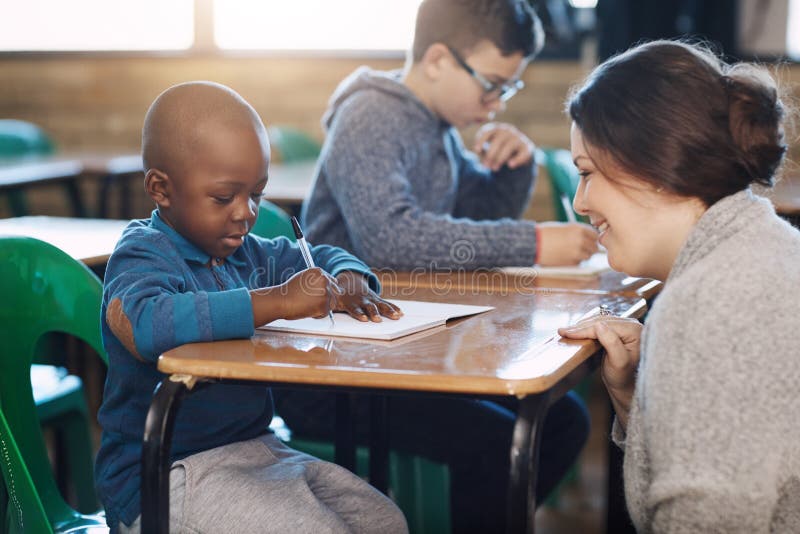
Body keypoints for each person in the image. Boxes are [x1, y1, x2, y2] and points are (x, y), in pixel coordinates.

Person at [275, 2, 592, 532]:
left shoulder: (438, 128)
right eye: (491, 84)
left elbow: (470, 228)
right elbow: (393, 240)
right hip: (333, 368)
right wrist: (533, 241)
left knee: (560, 420)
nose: (495, 104)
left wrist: (516, 169)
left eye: (506, 90)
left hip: (404, 352)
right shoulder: (371, 116)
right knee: (500, 445)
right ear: (440, 59)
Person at [94, 81, 408, 533]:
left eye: (256, 193)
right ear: (161, 189)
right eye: (224, 198)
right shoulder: (143, 253)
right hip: (163, 474)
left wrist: (350, 275)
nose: (246, 212)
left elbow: (319, 254)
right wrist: (277, 300)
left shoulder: (249, 251)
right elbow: (147, 324)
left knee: (384, 522)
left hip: (256, 447)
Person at [558, 40, 800, 532]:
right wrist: (635, 393)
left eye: (586, 174)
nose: (581, 202)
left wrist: (684, 348)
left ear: (653, 167)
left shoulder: (711, 304)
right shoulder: (761, 245)